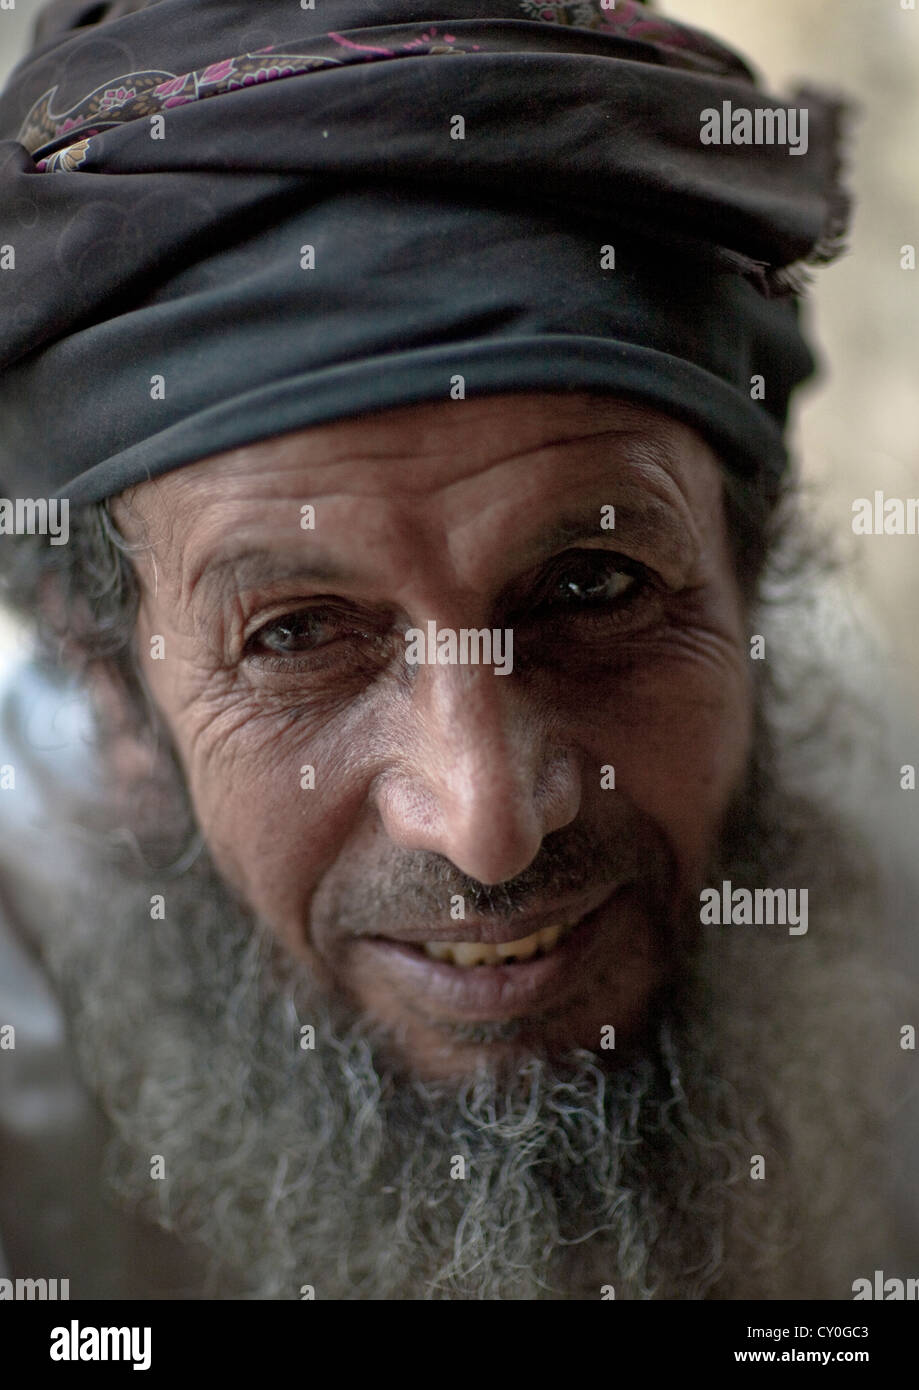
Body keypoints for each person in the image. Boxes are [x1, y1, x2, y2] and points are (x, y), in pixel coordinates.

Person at [0, 0, 916, 1301]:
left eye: (593, 585)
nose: (488, 824)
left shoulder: (880, 861)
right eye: (298, 635)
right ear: (114, 691)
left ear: (756, 586)